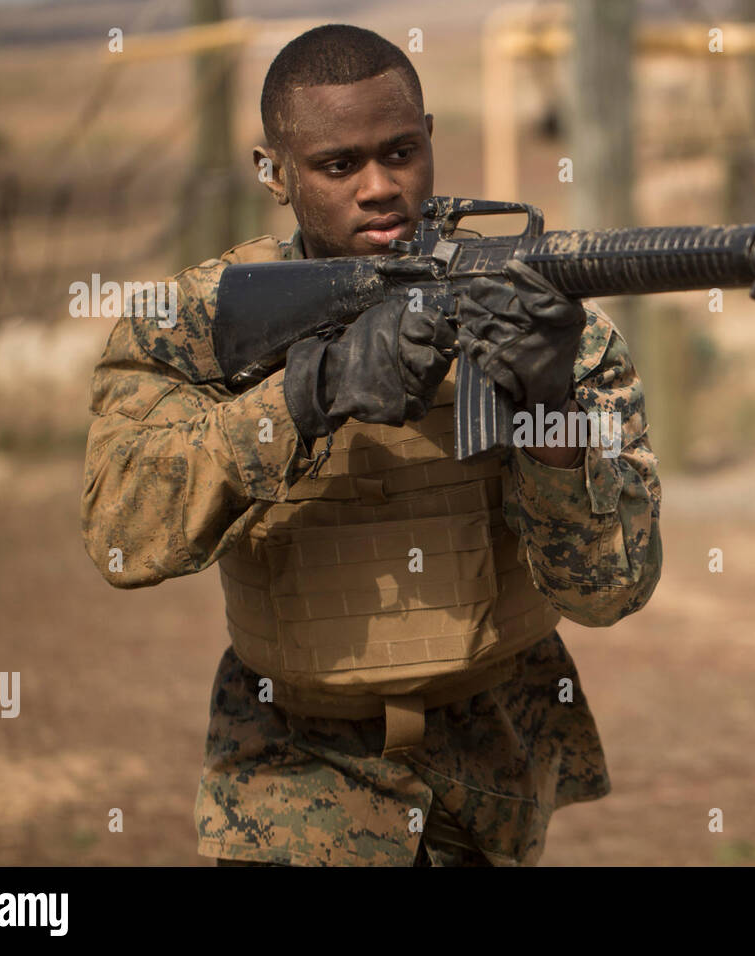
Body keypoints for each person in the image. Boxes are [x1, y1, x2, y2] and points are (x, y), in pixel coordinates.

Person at [80, 24, 661, 866]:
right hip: (291, 780)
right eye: (339, 165)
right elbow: (122, 534)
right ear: (273, 173)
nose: (381, 188)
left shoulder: (541, 320)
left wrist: (549, 411)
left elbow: (612, 590)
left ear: (431, 137)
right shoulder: (202, 326)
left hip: (491, 775)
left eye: (401, 151)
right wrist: (308, 393)